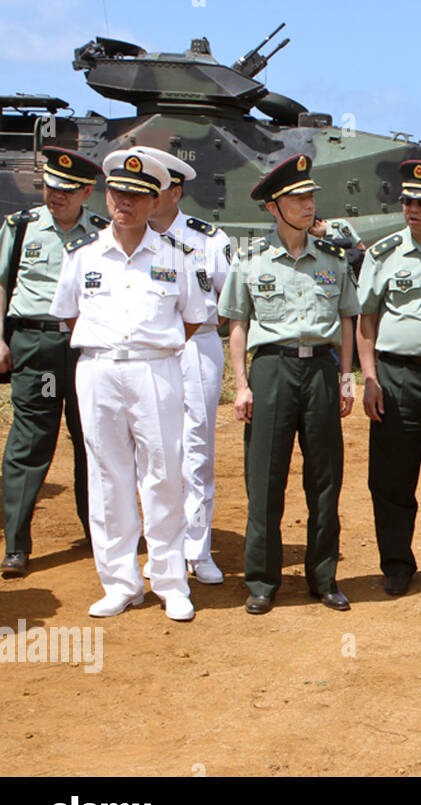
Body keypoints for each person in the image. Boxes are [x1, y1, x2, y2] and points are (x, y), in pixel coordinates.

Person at [50, 149, 213, 620]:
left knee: (163, 473)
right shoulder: (83, 256)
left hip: (155, 369)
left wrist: (151, 347)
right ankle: (120, 581)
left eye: (138, 195)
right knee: (107, 477)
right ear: (106, 193)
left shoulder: (176, 257)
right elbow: (69, 314)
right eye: (118, 192)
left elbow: (192, 319)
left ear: (154, 200)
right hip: (98, 369)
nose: (125, 202)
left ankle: (169, 580)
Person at [219, 153, 358, 615]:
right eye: (296, 198)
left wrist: (345, 378)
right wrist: (241, 384)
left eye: (310, 196)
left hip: (320, 368)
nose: (307, 204)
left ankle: (324, 578)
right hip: (271, 371)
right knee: (265, 479)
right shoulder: (250, 261)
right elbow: (237, 324)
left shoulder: (333, 259)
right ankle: (262, 581)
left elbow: (346, 320)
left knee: (324, 480)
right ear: (273, 208)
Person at [355, 159, 421, 596]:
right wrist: (369, 379)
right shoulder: (382, 253)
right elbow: (366, 322)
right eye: (406, 202)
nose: (412, 209)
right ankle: (397, 563)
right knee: (392, 478)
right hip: (395, 377)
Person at [0, 147, 105, 576]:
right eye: (48, 186)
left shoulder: (102, 232)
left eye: (64, 189)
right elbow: (2, 282)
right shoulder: (21, 227)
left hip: (85, 352)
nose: (53, 195)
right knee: (31, 439)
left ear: (85, 191)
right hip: (39, 351)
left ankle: (100, 535)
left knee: (93, 441)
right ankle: (16, 545)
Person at [131, 146, 232, 587]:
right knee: (150, 449)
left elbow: (230, 305)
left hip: (197, 346)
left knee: (197, 448)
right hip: (145, 350)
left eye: (158, 186)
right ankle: (161, 549)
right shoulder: (127, 236)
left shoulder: (208, 238)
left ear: (175, 191)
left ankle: (198, 548)